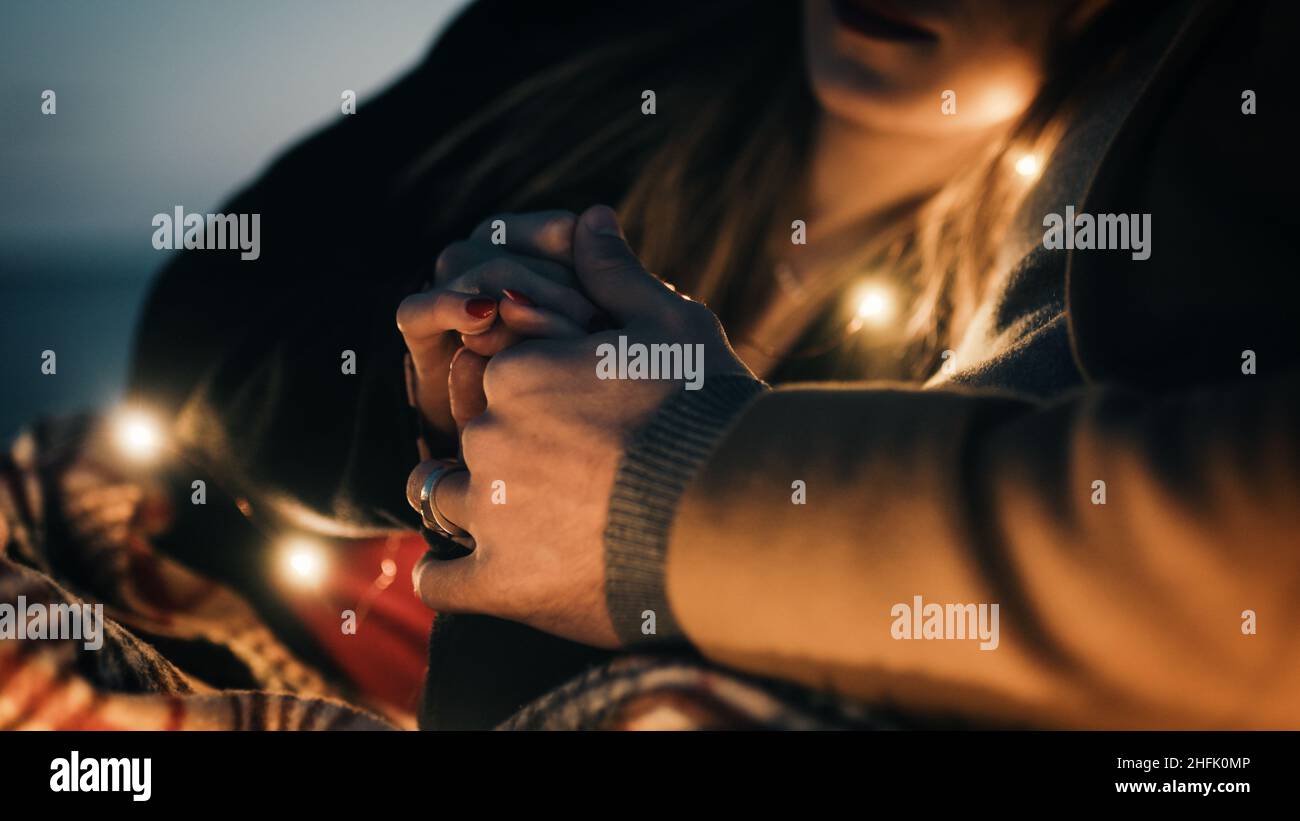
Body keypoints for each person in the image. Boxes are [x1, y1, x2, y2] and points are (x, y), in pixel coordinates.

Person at [131, 0, 1300, 728]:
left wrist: (660, 485)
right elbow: (200, 320)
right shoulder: (594, 37)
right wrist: (429, 408)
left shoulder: (1053, 302)